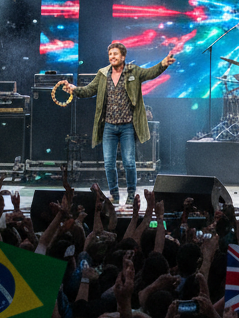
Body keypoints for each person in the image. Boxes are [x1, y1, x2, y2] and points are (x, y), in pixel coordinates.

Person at [71, 42, 175, 206]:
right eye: (110, 54)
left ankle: (132, 194)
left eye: (116, 54)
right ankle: (114, 194)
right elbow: (89, 91)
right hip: (109, 127)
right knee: (109, 163)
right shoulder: (103, 74)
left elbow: (150, 73)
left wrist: (163, 64)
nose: (112, 56)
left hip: (127, 126)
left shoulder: (133, 71)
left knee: (128, 162)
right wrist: (74, 89)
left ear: (123, 56)